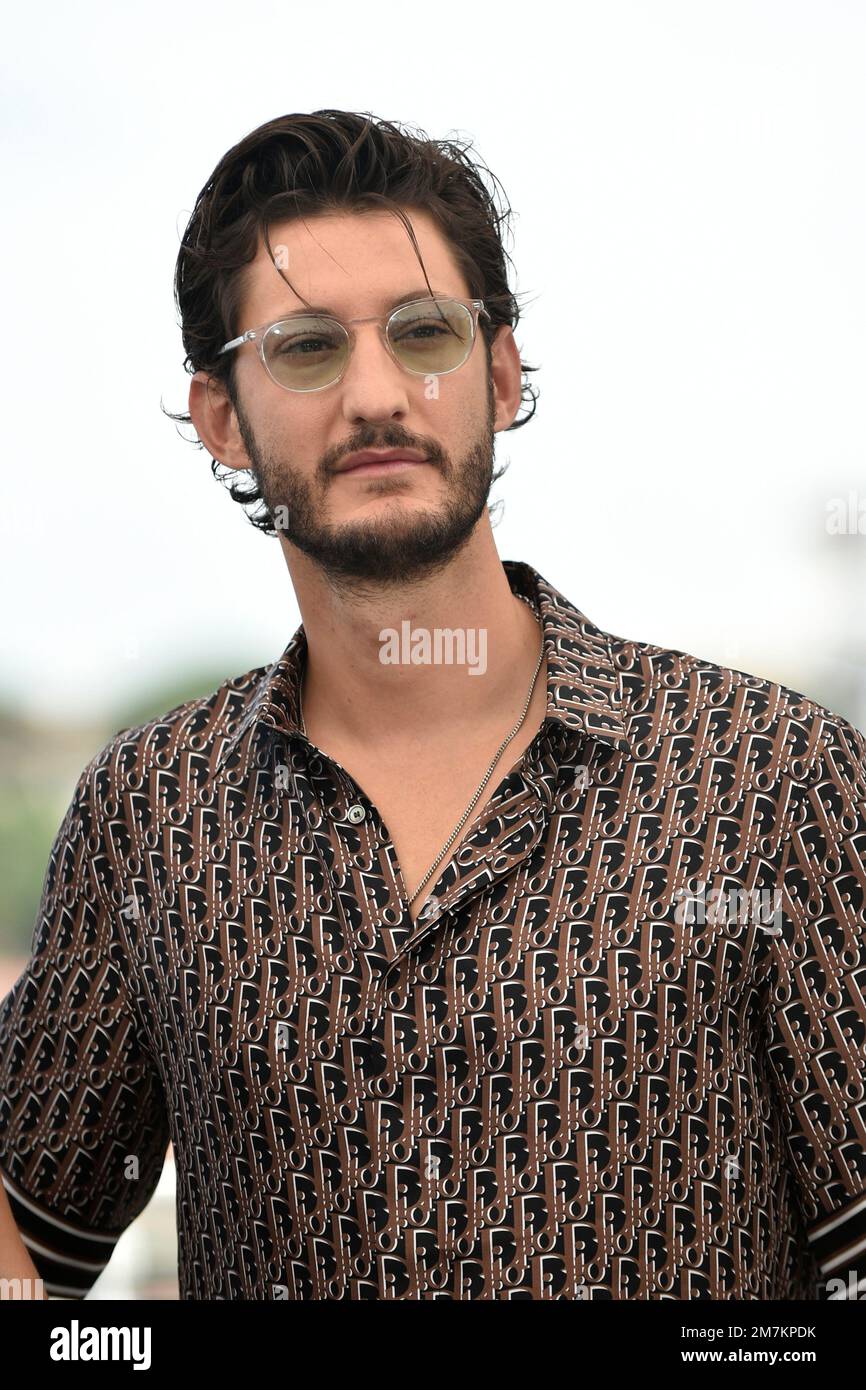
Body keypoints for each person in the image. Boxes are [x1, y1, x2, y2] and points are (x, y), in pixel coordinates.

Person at [1, 109, 864, 1301]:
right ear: (219, 416)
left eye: (423, 335)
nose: (375, 395)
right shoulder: (150, 812)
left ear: (498, 375)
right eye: (304, 348)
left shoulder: (769, 776)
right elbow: (31, 1253)